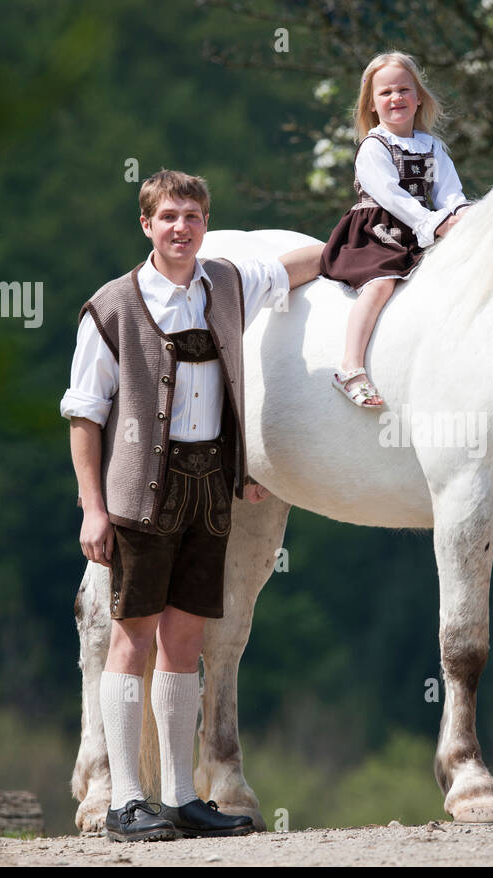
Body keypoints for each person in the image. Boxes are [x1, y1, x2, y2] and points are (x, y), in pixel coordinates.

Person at [61, 169, 323, 841]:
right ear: (146, 224)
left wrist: (369, 239)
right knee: (132, 637)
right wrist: (92, 509)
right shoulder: (110, 306)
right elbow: (84, 416)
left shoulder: (229, 284)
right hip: (140, 494)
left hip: (210, 489)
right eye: (169, 217)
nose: (182, 228)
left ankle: (180, 797)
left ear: (207, 225)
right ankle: (124, 800)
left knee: (184, 642)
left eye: (193, 217)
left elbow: (300, 262)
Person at [319, 51, 472, 407]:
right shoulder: (373, 147)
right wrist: (436, 224)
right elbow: (393, 197)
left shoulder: (433, 147)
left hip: (421, 233)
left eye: (404, 90)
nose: (396, 98)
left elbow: (449, 192)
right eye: (385, 93)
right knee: (380, 285)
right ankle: (350, 366)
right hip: (377, 233)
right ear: (371, 104)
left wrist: (464, 215)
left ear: (419, 98)